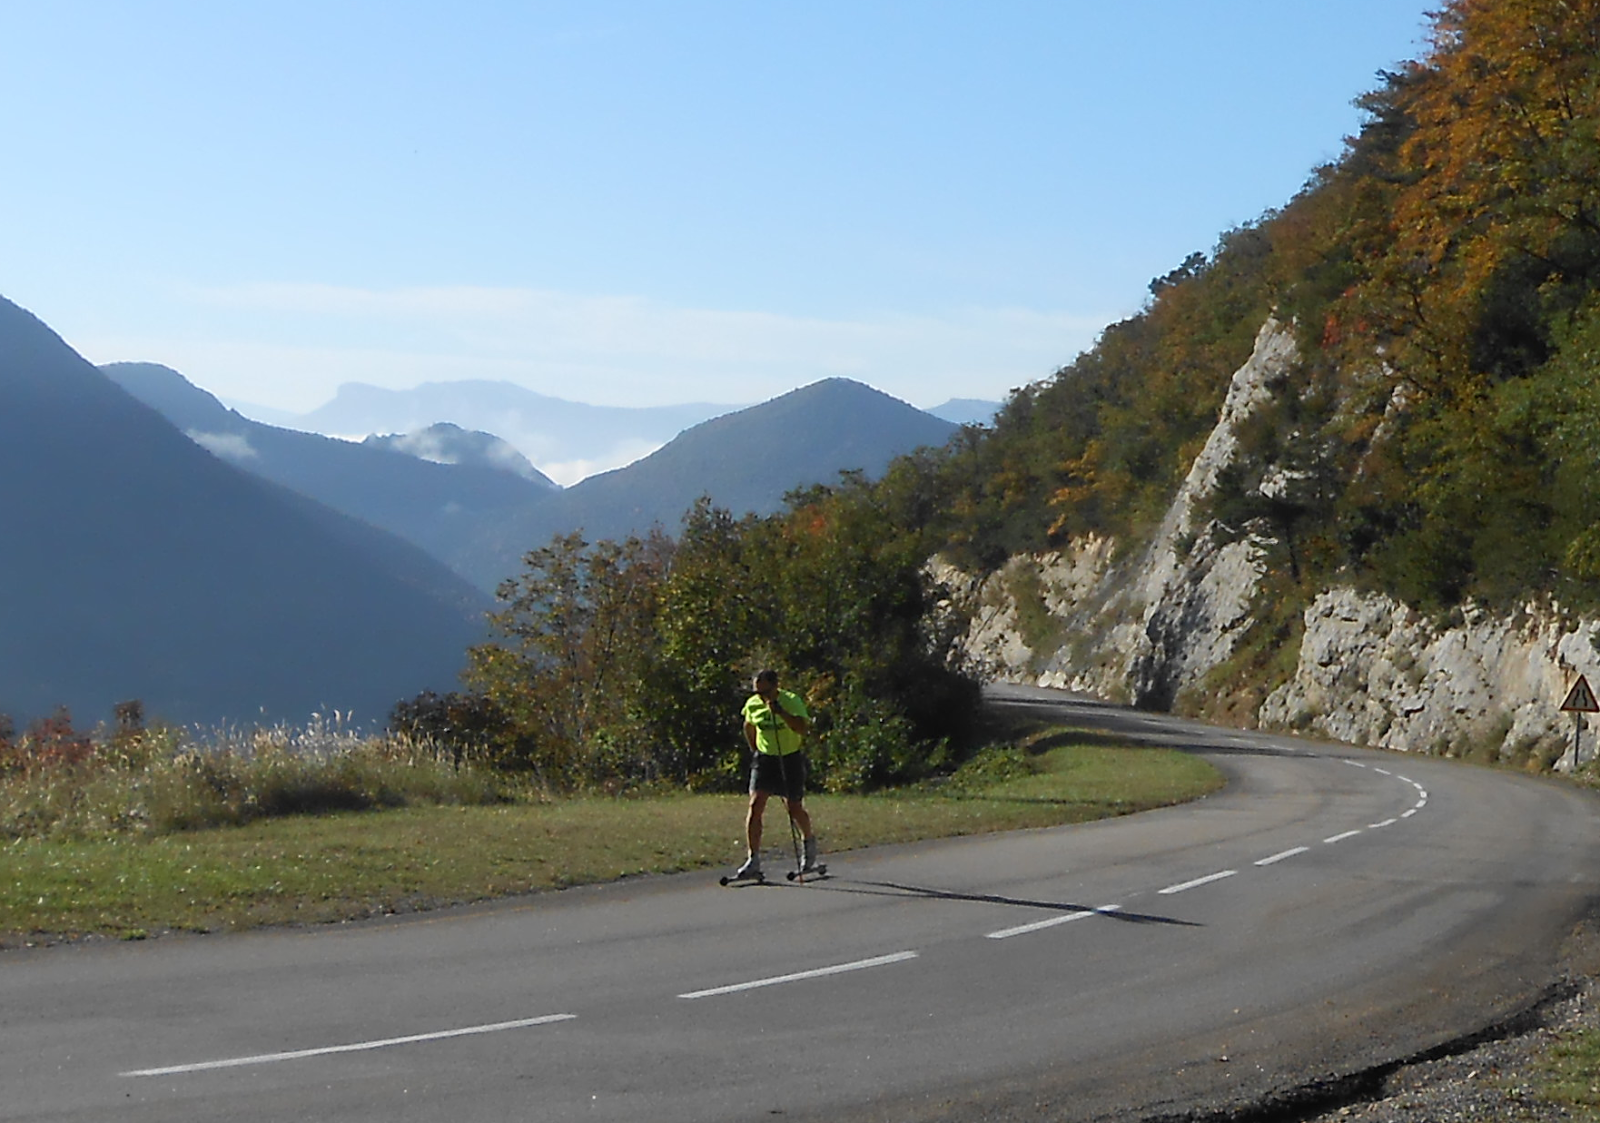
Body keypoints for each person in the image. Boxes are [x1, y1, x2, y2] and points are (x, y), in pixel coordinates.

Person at [734, 669, 820, 879]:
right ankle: (753, 860)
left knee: (793, 807)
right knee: (755, 804)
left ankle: (809, 846)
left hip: (789, 757)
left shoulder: (791, 701)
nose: (761, 697)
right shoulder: (753, 704)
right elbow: (748, 725)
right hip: (765, 759)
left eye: (765, 692)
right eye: (757, 692)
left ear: (776, 686)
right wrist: (755, 749)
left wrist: (781, 712)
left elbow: (801, 728)